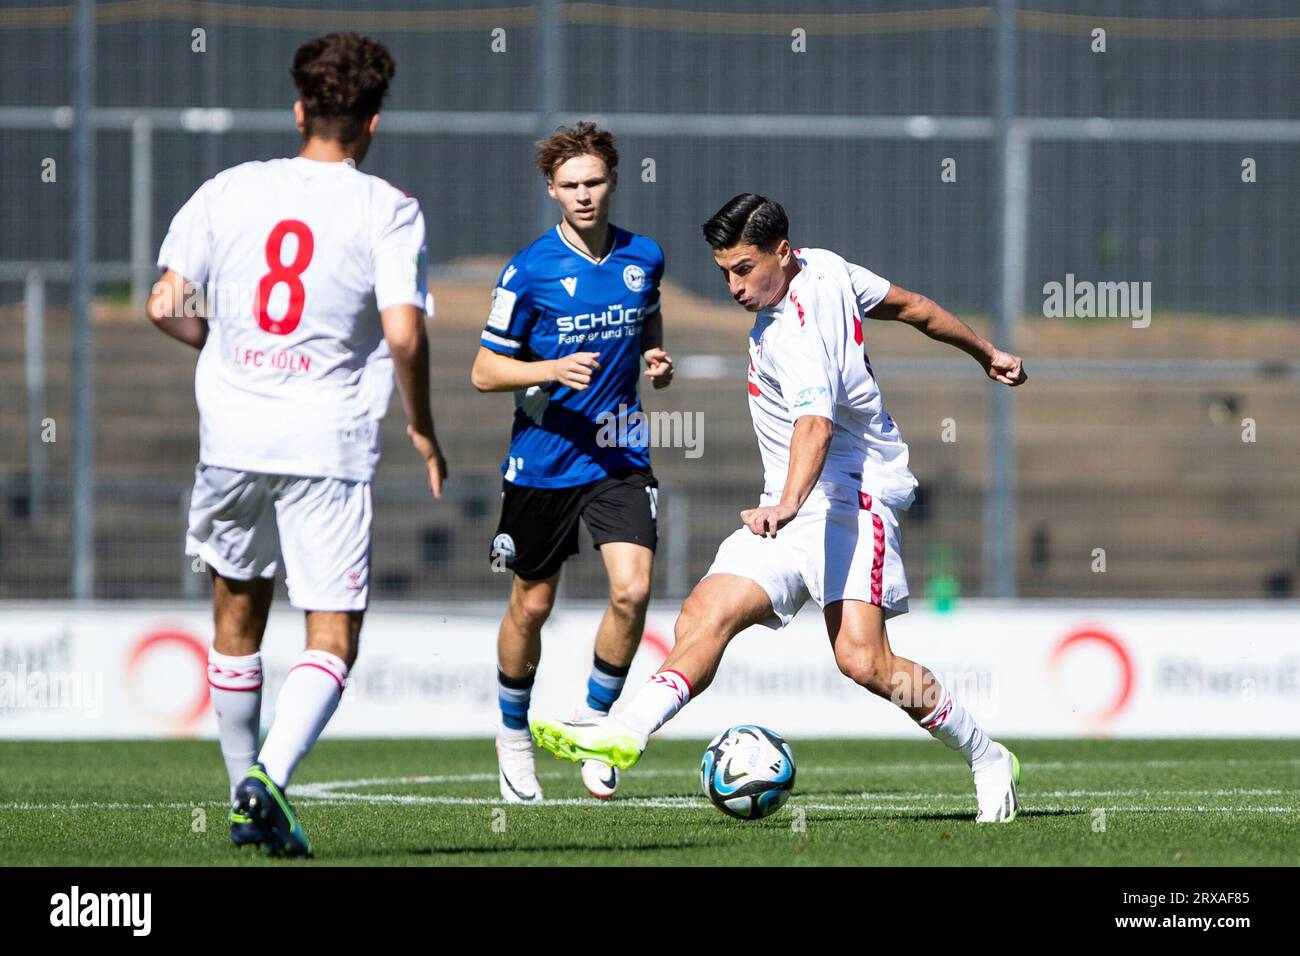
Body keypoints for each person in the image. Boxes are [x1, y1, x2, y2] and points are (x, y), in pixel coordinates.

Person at [532, 193, 1029, 823]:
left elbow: (816, 424)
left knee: (863, 660)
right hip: (790, 504)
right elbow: (915, 308)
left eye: (744, 268)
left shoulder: (791, 331)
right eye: (724, 273)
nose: (735, 285)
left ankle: (988, 758)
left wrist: (788, 503)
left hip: (850, 497)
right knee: (705, 612)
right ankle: (626, 731)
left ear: (781, 253)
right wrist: (987, 352)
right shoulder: (828, 267)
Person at [147, 32, 447, 854]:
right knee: (333, 633)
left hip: (233, 435)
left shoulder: (230, 190)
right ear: (373, 123)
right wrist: (421, 424)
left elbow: (164, 302)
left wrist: (225, 347)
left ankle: (243, 789)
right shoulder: (386, 207)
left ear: (299, 109)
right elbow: (405, 335)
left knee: (236, 612)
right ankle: (266, 783)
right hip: (326, 441)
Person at [471, 122, 673, 802]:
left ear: (612, 181)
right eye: (571, 185)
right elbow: (482, 370)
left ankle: (597, 724)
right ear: (552, 190)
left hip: (619, 451)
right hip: (543, 460)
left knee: (633, 590)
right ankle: (512, 735)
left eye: (594, 182)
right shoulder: (528, 272)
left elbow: (647, 316)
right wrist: (552, 367)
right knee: (531, 605)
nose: (584, 195)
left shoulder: (644, 255)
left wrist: (654, 355)